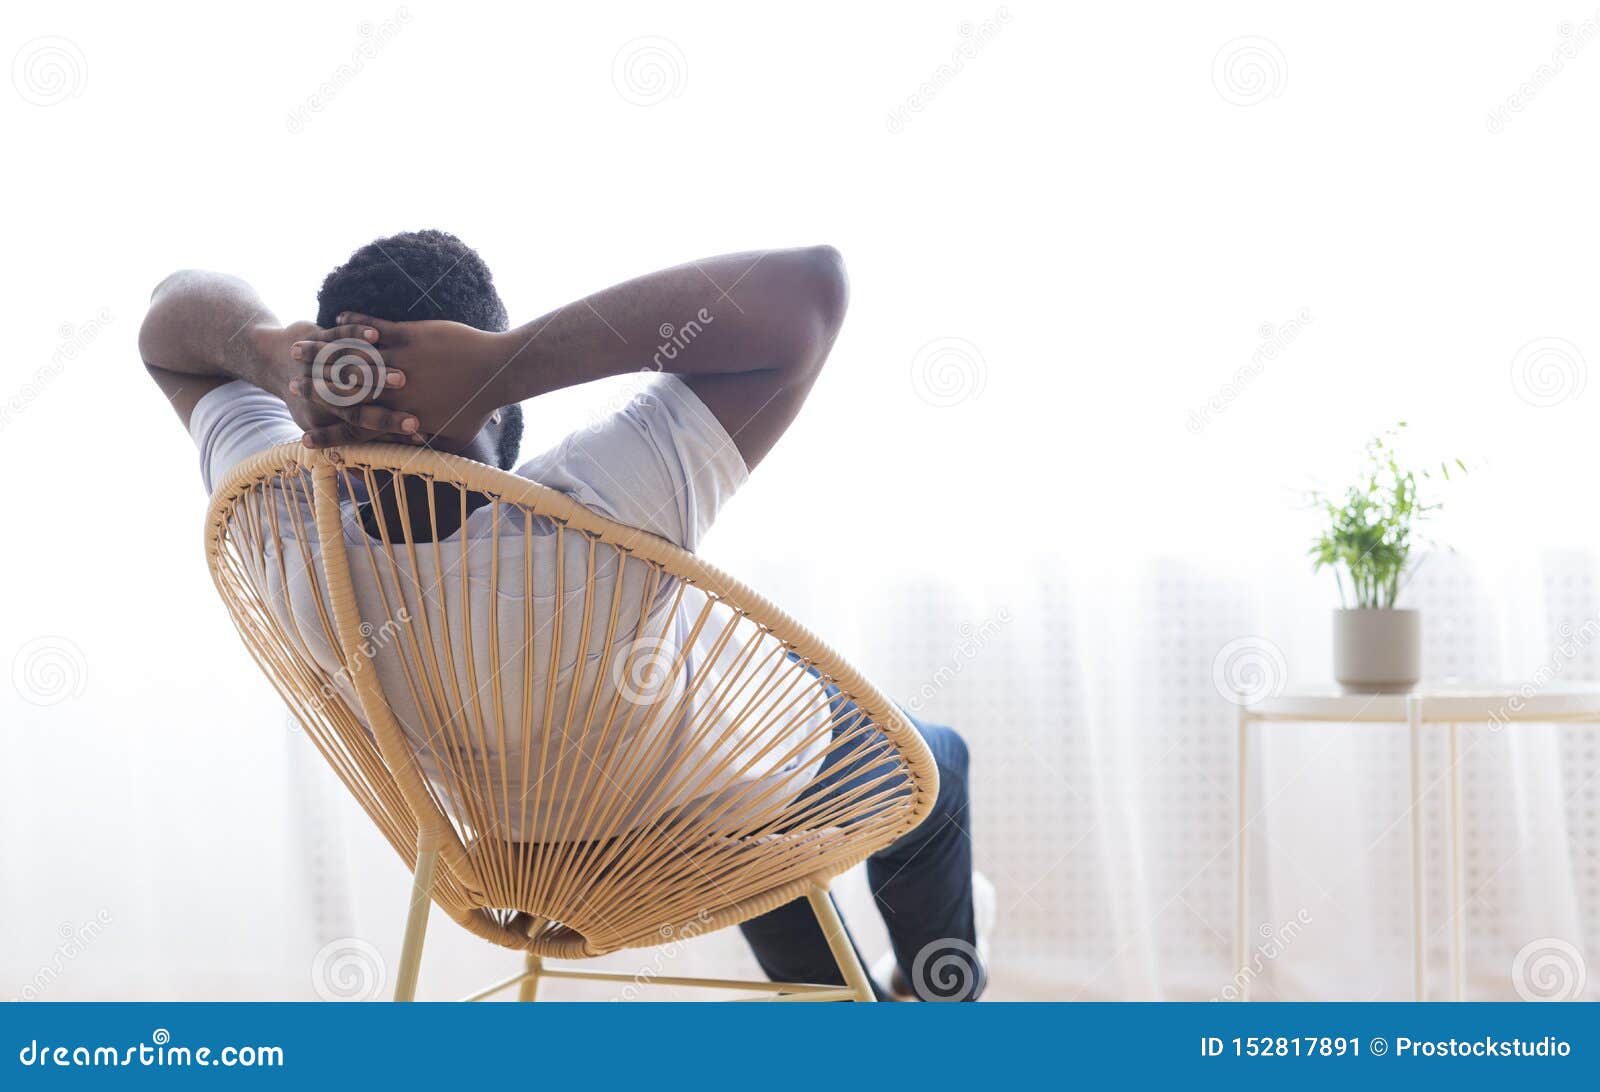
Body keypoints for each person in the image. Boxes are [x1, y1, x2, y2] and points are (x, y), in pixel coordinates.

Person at [139, 230, 989, 1000]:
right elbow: (810, 288)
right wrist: (501, 364)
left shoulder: (285, 527)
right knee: (924, 763)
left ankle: (856, 1019)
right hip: (717, 819)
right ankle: (945, 1005)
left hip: (528, 863)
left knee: (726, 773)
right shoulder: (592, 502)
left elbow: (173, 321)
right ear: (501, 418)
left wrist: (271, 354)